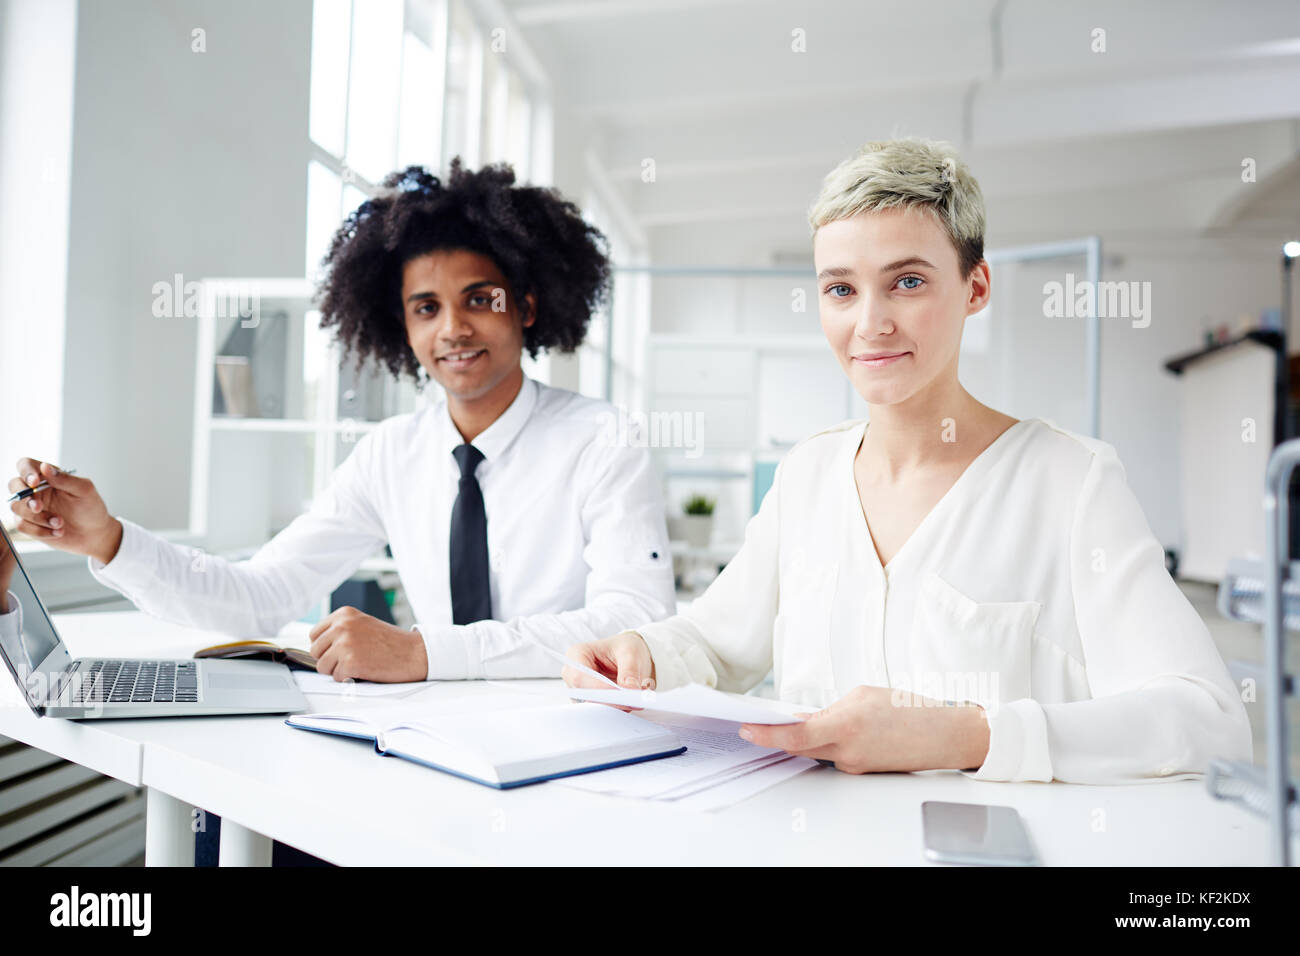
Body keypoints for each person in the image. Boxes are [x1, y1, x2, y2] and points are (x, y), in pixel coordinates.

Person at [562, 136, 1252, 785]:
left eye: (909, 282)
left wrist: (962, 736)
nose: (870, 323)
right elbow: (717, 644)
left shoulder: (1070, 484)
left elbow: (1209, 721)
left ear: (975, 288)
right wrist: (644, 652)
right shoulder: (808, 476)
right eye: (840, 289)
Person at [9, 160, 676, 684]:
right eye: (425, 308)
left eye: (480, 299)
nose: (453, 329)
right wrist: (109, 540)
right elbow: (260, 596)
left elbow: (636, 618)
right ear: (402, 327)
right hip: (431, 734)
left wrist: (424, 652)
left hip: (572, 742)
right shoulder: (392, 454)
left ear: (526, 308)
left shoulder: (602, 442)